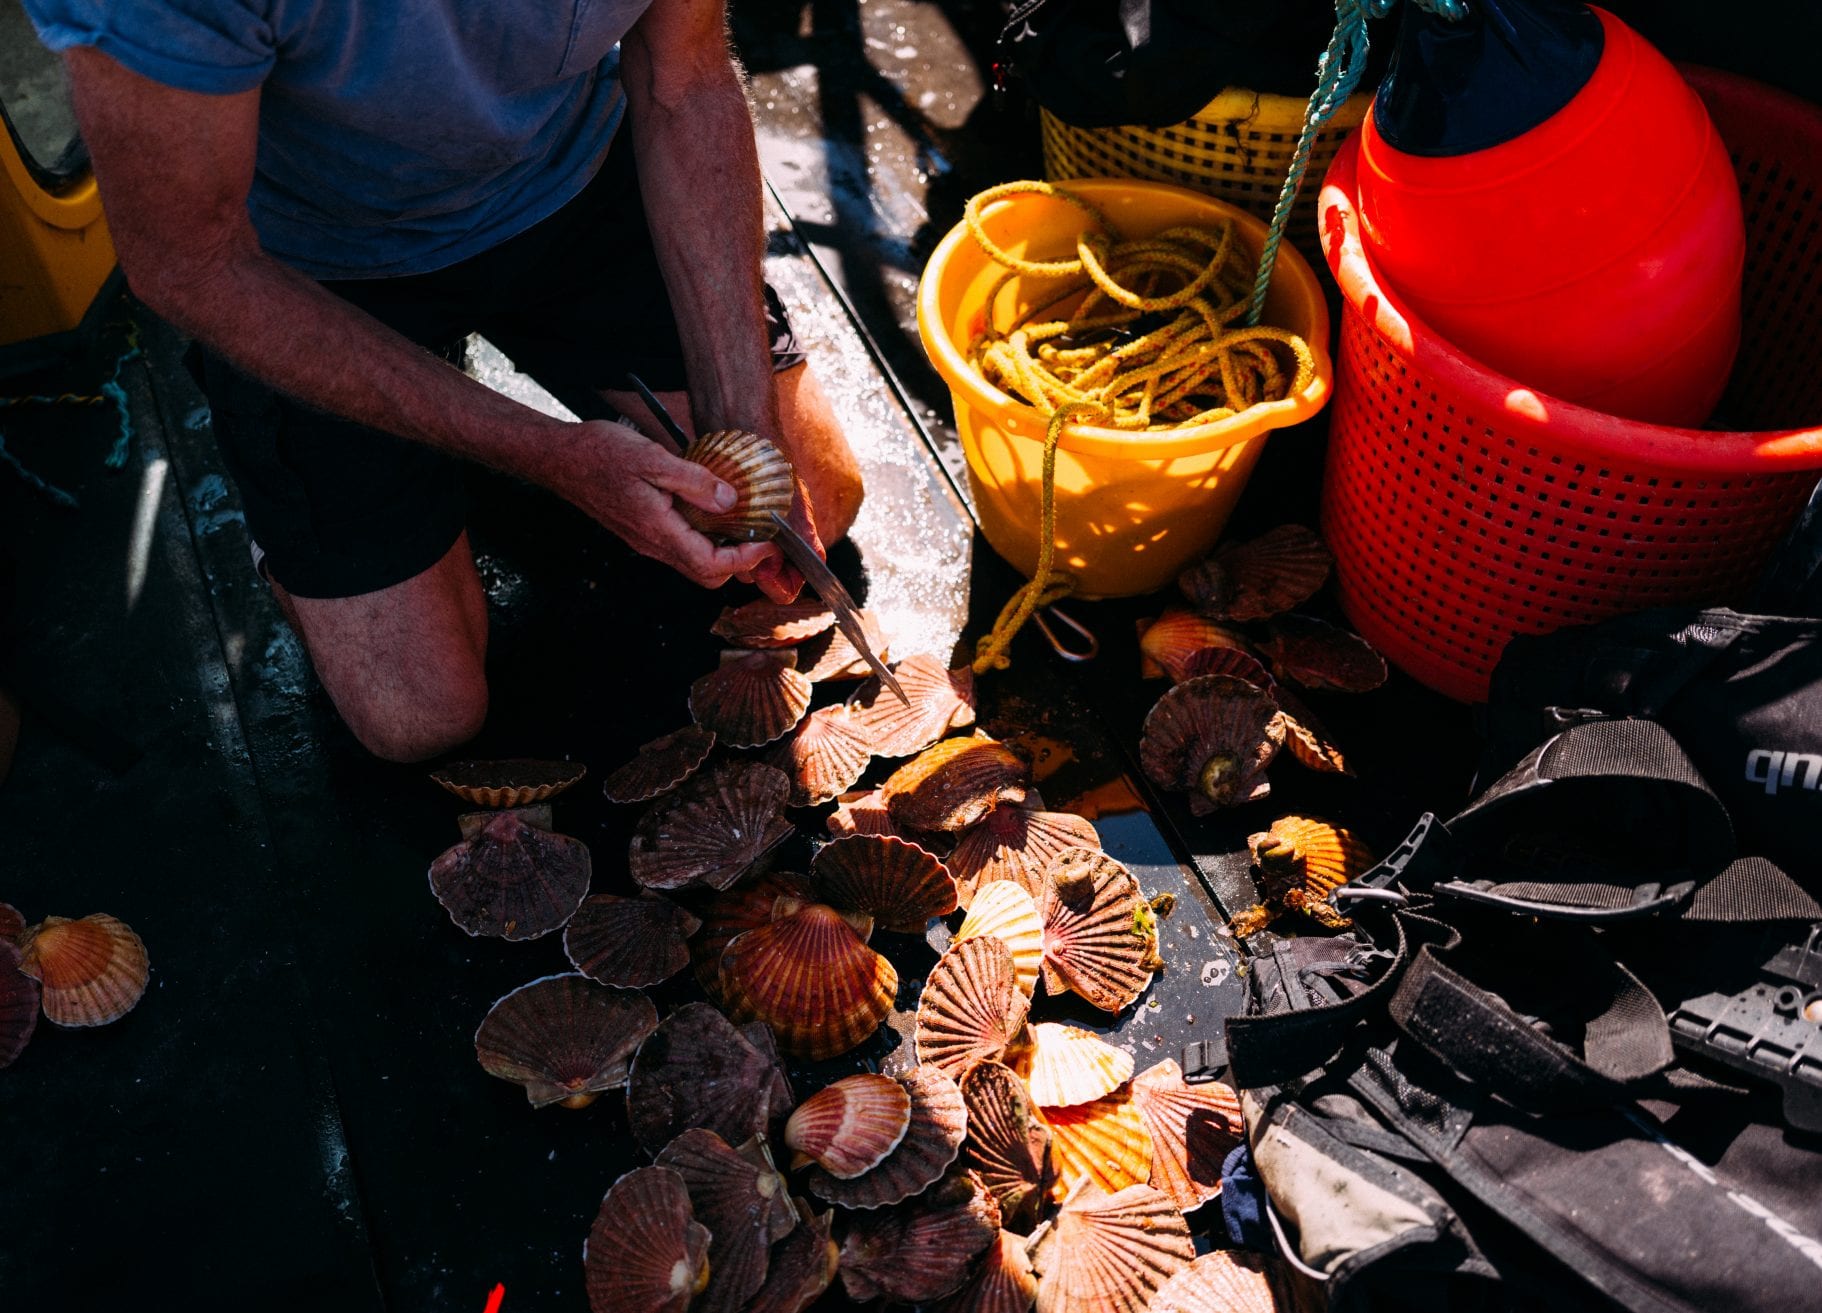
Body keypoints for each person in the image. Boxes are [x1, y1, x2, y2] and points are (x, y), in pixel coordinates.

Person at [20, 0, 866, 762]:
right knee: (421, 716)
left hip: (565, 162)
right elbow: (188, 264)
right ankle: (294, 505)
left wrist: (744, 423)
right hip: (311, 267)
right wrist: (548, 455)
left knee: (817, 499)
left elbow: (684, 81)